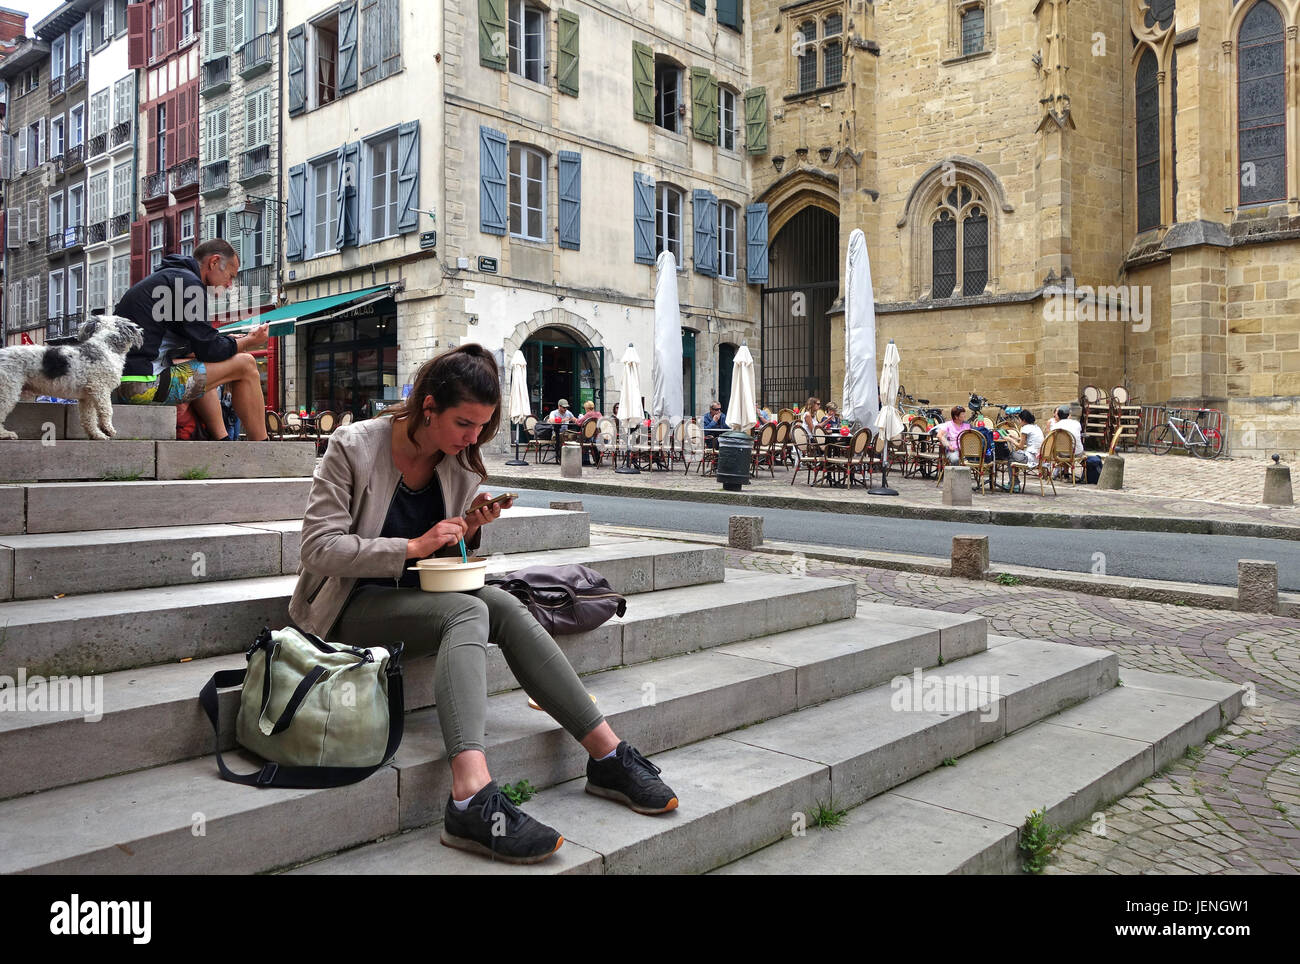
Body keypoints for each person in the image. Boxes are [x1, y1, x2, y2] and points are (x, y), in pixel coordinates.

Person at [289, 345, 677, 864]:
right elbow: (317, 548)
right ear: (428, 408)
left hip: (416, 600)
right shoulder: (354, 446)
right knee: (470, 611)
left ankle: (607, 754)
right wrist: (414, 547)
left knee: (505, 605)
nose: (474, 438)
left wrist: (464, 531)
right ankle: (470, 796)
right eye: (464, 423)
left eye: (483, 425)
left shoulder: (458, 464)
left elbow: (442, 557)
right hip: (347, 607)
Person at [114, 238, 270, 440]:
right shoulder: (189, 284)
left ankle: (222, 440)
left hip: (124, 380)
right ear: (214, 262)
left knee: (200, 366)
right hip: (141, 385)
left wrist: (226, 341)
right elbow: (209, 349)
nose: (230, 285)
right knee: (246, 364)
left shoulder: (170, 278)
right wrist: (248, 342)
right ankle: (263, 446)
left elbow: (198, 345)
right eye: (230, 276)